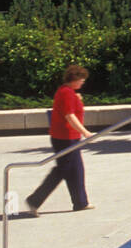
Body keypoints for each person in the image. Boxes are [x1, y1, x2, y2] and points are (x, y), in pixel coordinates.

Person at [24, 64, 95, 215]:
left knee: (76, 170)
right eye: (81, 79)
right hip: (64, 138)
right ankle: (34, 200)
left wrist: (78, 99)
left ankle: (80, 202)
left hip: (71, 137)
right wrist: (86, 132)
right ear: (74, 79)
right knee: (62, 171)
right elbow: (69, 116)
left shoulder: (69, 92)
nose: (83, 82)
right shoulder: (66, 93)